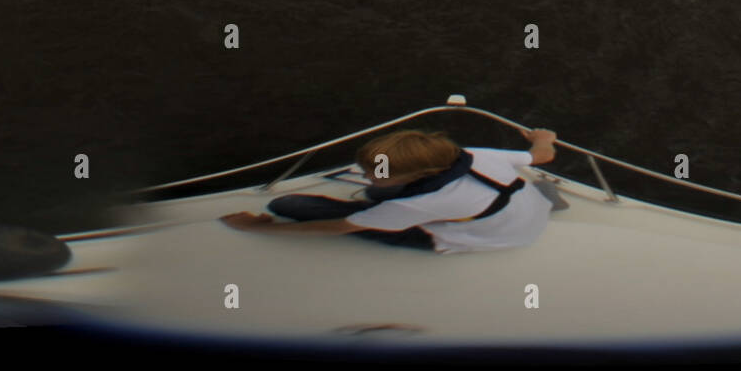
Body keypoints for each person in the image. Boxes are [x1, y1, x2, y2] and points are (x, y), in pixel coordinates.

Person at [222, 127, 557, 252]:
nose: (367, 176)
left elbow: (337, 228)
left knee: (289, 205)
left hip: (469, 236)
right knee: (376, 197)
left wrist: (258, 228)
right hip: (522, 214)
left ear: (421, 172)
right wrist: (544, 136)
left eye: (376, 173)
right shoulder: (478, 155)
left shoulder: (417, 206)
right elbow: (543, 154)